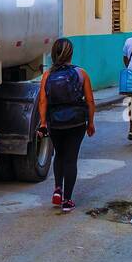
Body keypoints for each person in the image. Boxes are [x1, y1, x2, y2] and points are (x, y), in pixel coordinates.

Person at [38, 37, 95, 211]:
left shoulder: (47, 75)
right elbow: (91, 101)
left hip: (55, 122)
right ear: (71, 54)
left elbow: (42, 101)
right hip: (76, 122)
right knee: (71, 159)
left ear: (54, 54)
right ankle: (67, 200)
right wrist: (90, 123)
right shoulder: (81, 73)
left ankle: (57, 189)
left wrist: (43, 123)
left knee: (59, 156)